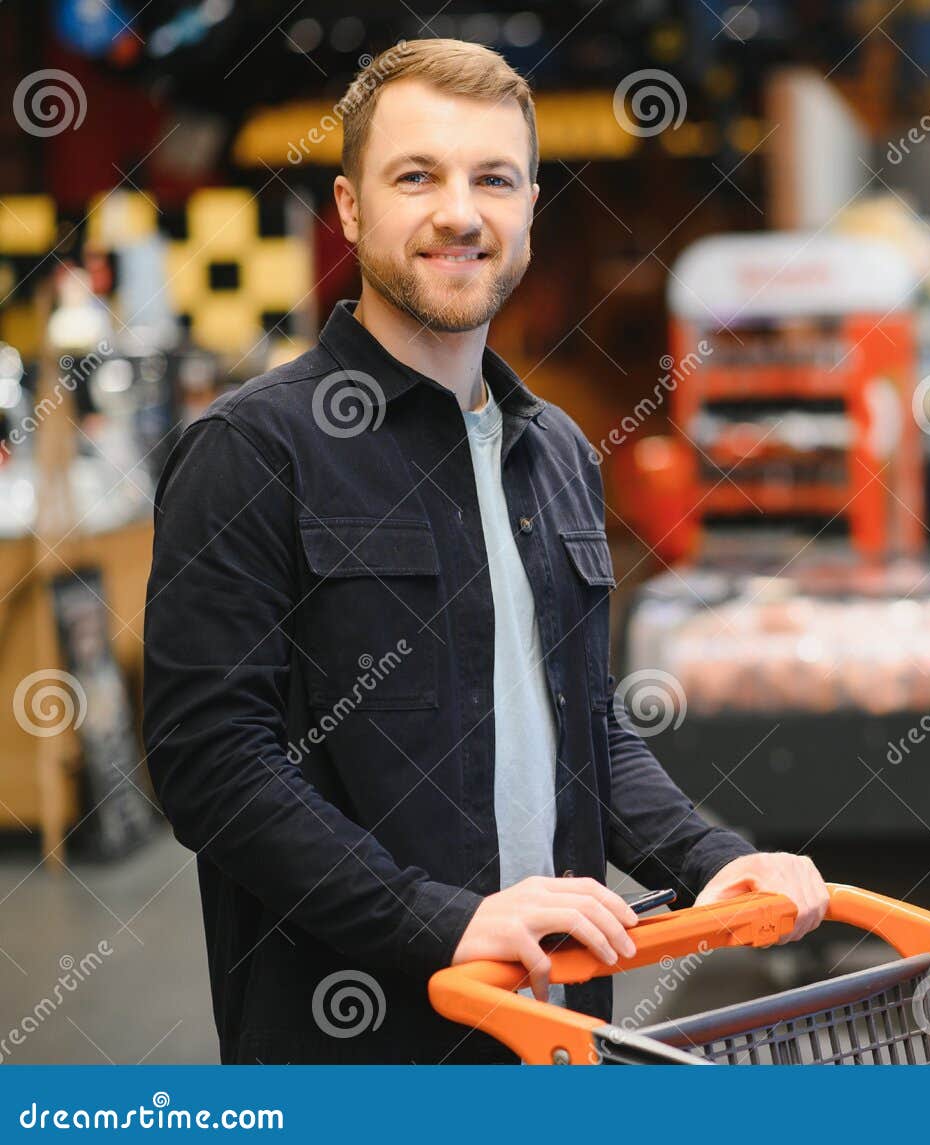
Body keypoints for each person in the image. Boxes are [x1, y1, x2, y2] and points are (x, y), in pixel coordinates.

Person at [142, 38, 828, 1064]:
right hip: (354, 1051)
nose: (459, 212)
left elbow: (581, 727)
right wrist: (436, 921)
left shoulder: (552, 450)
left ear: (528, 210)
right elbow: (210, 765)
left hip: (556, 1024)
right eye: (415, 176)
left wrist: (712, 858)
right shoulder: (250, 451)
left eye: (492, 180)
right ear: (349, 207)